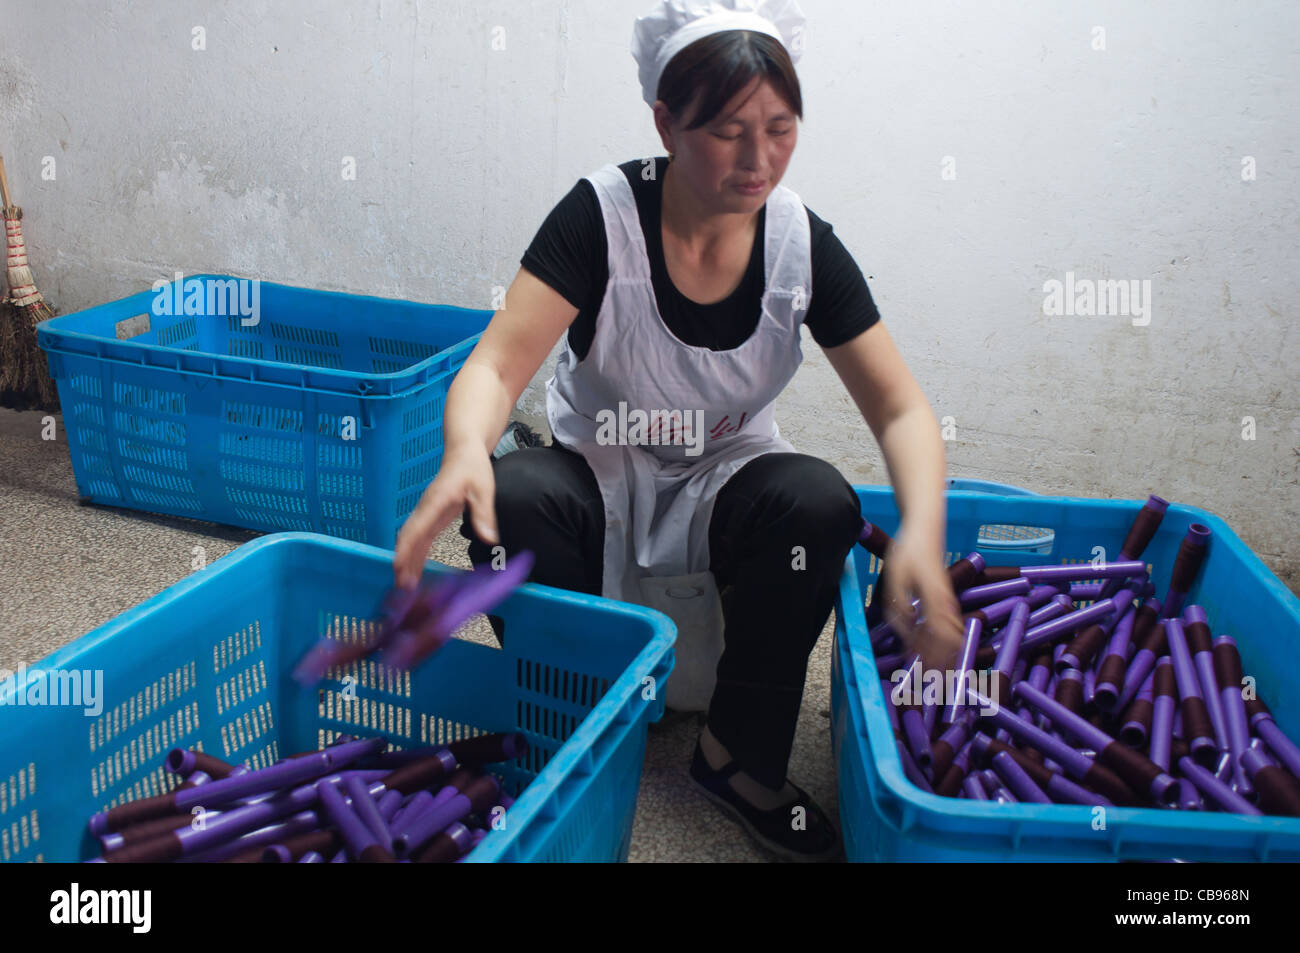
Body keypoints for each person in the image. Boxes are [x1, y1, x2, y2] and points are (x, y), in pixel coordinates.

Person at [393, 0, 964, 862]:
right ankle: (575, 732)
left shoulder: (800, 244)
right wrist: (468, 446)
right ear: (665, 117)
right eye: (729, 130)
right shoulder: (602, 216)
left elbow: (901, 409)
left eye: (780, 127)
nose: (758, 158)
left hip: (726, 473)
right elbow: (495, 366)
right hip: (598, 467)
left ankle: (737, 757)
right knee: (512, 500)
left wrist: (922, 529)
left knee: (819, 504)